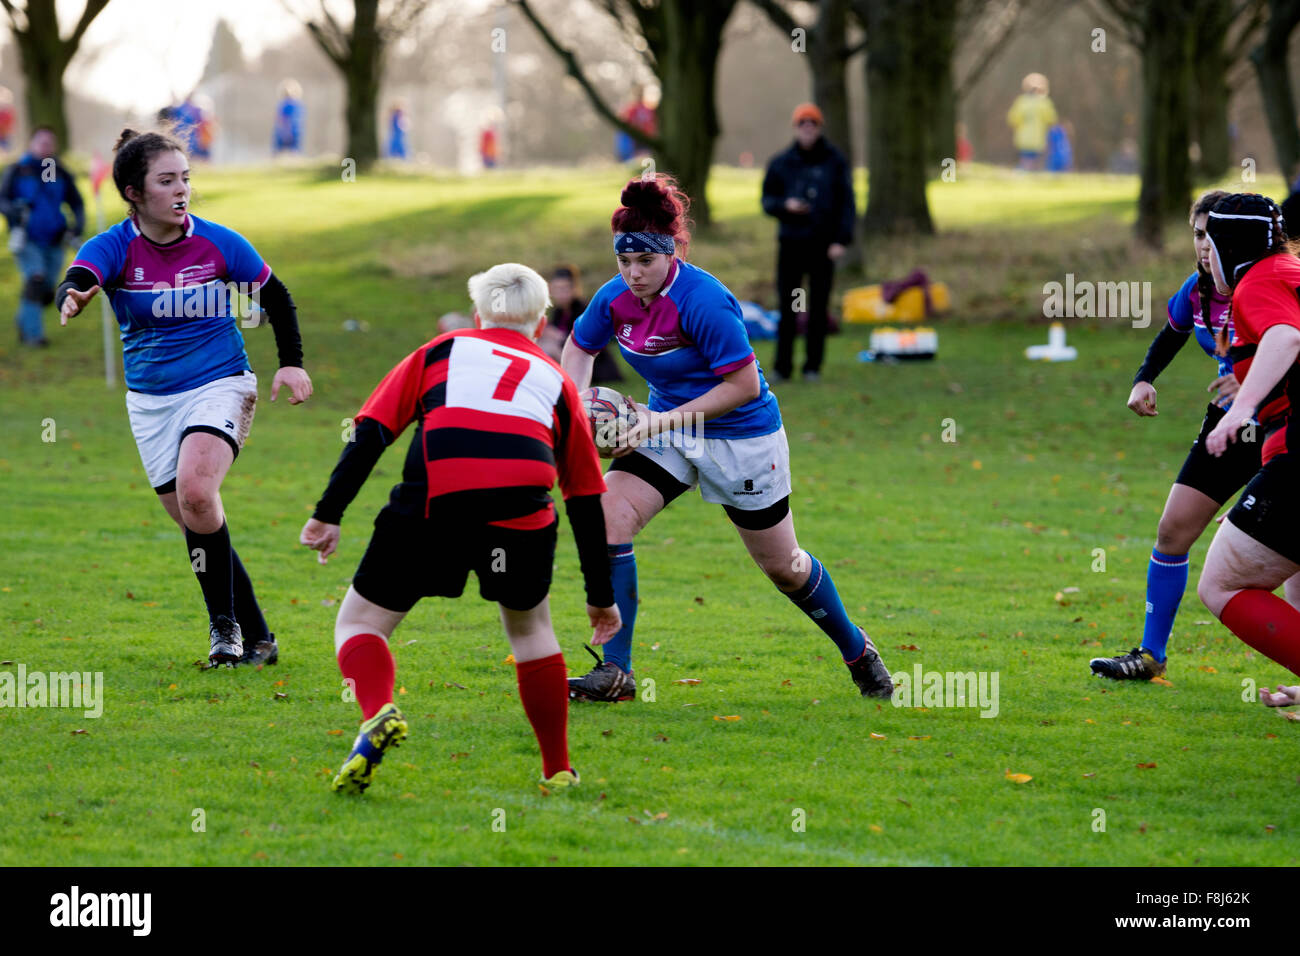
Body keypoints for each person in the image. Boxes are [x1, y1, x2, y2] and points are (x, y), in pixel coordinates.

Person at [561, 173, 894, 703]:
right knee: (608, 518)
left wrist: (657, 422)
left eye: (645, 261)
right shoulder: (615, 297)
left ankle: (857, 651)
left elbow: (741, 386)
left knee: (783, 568)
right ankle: (616, 672)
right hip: (667, 428)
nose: (633, 273)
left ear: (670, 253)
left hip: (742, 439)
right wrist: (578, 401)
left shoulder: (704, 300)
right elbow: (579, 347)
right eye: (624, 262)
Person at [298, 263, 621, 793]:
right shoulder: (558, 381)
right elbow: (586, 499)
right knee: (531, 632)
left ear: (477, 316)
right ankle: (557, 770)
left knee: (359, 625)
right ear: (540, 325)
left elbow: (371, 434)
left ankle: (378, 712)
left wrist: (328, 513)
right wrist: (599, 598)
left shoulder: (440, 350)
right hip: (521, 514)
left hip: (433, 506)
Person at [54, 127, 312, 666]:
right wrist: (74, 295)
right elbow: (81, 273)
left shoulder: (219, 242)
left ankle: (225, 632)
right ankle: (259, 637)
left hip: (221, 383)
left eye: (185, 179)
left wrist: (290, 363)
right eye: (166, 180)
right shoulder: (115, 246)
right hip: (150, 402)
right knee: (199, 518)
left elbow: (277, 296)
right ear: (134, 192)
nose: (181, 191)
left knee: (198, 493)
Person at [1090, 190, 1259, 680]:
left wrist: (1254, 379)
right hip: (1228, 425)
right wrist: (1144, 378)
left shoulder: (1267, 287)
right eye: (1198, 235)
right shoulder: (1198, 289)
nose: (1205, 246)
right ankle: (1150, 656)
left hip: (1280, 426)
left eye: (1215, 236)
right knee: (1173, 530)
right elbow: (1173, 332)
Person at [1196, 193, 1300, 706]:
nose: (1204, 258)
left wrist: (1240, 412)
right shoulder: (1290, 268)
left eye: (1208, 244)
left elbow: (1285, 338)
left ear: (1228, 246)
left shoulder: (1257, 279)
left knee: (1222, 585)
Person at [760, 103, 855, 382]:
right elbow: (767, 201)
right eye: (803, 124)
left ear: (819, 128)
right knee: (788, 308)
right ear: (796, 128)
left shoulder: (835, 162)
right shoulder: (781, 162)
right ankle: (782, 366)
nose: (808, 129)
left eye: (812, 124)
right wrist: (785, 205)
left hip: (823, 246)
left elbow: (847, 204)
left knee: (818, 308)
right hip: (791, 245)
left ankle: (813, 366)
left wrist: (841, 240)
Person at [0, 126, 85, 347]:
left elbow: (76, 201)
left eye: (50, 143)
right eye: (42, 142)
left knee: (47, 289)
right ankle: (33, 336)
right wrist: (14, 212)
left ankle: (23, 320)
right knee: (35, 281)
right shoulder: (18, 170)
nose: (45, 147)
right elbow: (3, 199)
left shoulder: (58, 171)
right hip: (26, 238)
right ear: (32, 143)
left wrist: (78, 225)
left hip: (55, 239)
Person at [540, 264, 621, 384]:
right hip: (568, 358)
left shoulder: (584, 309)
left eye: (564, 289)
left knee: (549, 346)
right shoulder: (558, 311)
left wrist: (557, 335)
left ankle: (564, 382)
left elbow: (585, 339)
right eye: (556, 289)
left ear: (574, 289)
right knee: (541, 341)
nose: (560, 294)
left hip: (594, 366)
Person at [1006, 73, 1057, 171]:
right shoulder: (1044, 102)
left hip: (1023, 137)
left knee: (1026, 159)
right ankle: (1030, 174)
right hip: (1039, 137)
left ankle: (1024, 173)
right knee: (1037, 160)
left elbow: (1013, 119)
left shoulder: (1021, 101)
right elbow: (1051, 119)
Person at [273, 80, 304, 154]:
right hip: (284, 131)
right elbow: (280, 118)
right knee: (280, 150)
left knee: (294, 151)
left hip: (294, 131)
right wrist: (285, 130)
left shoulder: (297, 105)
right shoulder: (283, 105)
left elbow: (298, 120)